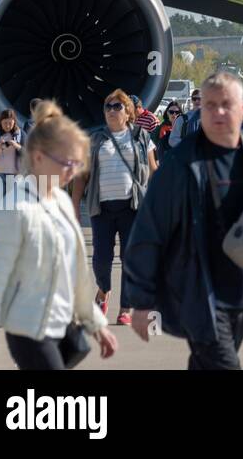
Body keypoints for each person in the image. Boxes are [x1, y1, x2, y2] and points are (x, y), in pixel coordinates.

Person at [124, 71, 243, 369]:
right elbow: (148, 230)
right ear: (200, 109)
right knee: (224, 363)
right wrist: (141, 300)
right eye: (210, 105)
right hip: (196, 287)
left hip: (242, 284)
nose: (218, 112)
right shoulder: (180, 162)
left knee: (205, 363)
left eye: (226, 104)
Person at [0, 102, 119, 370]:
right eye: (66, 162)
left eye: (77, 163)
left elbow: (75, 272)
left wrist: (96, 324)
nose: (73, 171)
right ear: (38, 157)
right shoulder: (15, 209)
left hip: (63, 326)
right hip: (29, 329)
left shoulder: (61, 202)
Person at [80, 90, 158, 327]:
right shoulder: (96, 139)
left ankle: (125, 308)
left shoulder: (141, 136)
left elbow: (153, 171)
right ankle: (103, 290)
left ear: (128, 112)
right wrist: (72, 208)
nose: (112, 111)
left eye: (117, 107)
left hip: (132, 207)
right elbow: (83, 176)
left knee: (129, 259)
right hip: (102, 208)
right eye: (108, 107)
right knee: (101, 260)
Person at [0, 109, 24, 196]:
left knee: (12, 201)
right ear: (0, 122)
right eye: (5, 123)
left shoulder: (20, 134)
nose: (7, 126)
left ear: (14, 122)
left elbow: (29, 153)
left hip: (15, 174)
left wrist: (16, 146)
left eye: (10, 123)